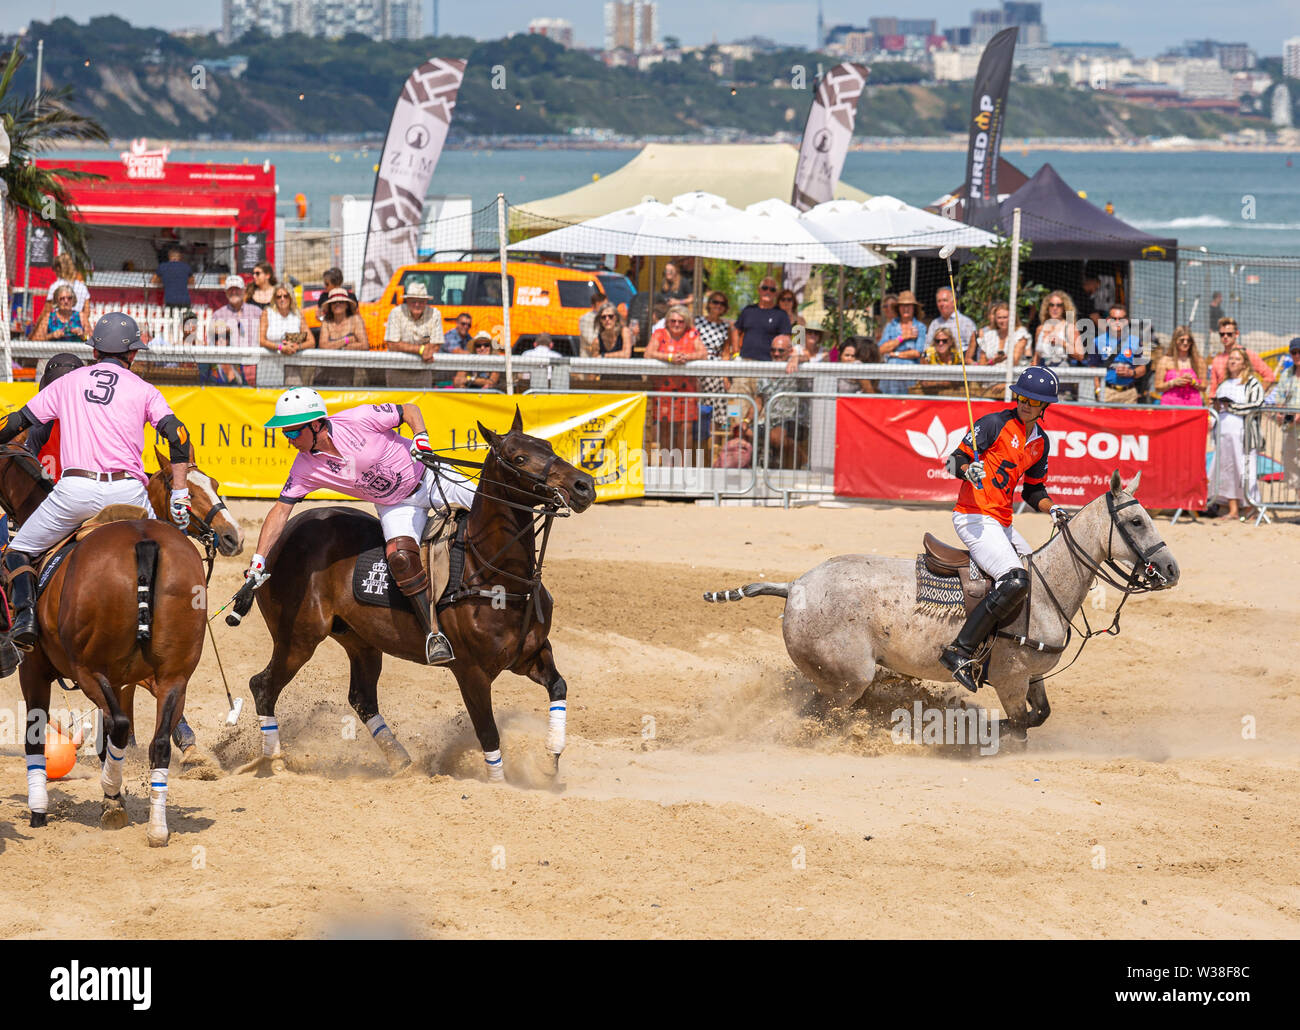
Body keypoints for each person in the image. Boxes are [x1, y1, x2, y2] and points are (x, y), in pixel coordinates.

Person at [0, 314, 192, 650]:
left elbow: (18, 422)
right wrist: (179, 493)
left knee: (18, 550)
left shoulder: (67, 382)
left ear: (95, 352)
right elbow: (178, 434)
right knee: (168, 549)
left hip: (75, 492)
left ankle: (27, 618)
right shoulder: (145, 389)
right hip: (129, 493)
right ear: (132, 353)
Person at [246, 389, 476, 664]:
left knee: (490, 506)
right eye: (285, 433)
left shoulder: (358, 418)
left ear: (316, 424)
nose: (289, 440)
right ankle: (433, 633)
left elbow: (409, 411)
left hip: (430, 478)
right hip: (395, 505)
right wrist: (259, 559)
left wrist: (420, 437)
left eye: (293, 433)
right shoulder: (304, 467)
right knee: (400, 559)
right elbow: (281, 511)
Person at [939, 366, 1069, 692]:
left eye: (1033, 400)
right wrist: (967, 470)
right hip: (974, 515)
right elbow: (952, 460)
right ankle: (960, 650)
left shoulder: (1040, 441)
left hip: (1003, 522)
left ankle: (1011, 650)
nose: (1025, 403)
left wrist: (1052, 508)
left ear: (1044, 407)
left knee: (1036, 578)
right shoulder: (994, 423)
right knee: (1013, 579)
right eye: (1021, 396)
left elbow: (1033, 491)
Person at [1210, 348, 1264, 521]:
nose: (1232, 361)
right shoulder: (1223, 384)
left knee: (1246, 470)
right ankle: (1233, 509)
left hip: (1245, 436)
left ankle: (1251, 508)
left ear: (1244, 363)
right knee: (1228, 470)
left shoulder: (1252, 383)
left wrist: (1232, 407)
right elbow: (1216, 408)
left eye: (1237, 359)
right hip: (1224, 434)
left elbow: (1256, 404)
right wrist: (1218, 407)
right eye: (1231, 358)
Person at [644, 306, 707, 449]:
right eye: (673, 321)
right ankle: (667, 467)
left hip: (687, 388)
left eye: (680, 321)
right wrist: (670, 358)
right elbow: (648, 353)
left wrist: (686, 357)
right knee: (665, 429)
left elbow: (703, 353)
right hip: (663, 387)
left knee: (686, 429)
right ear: (667, 322)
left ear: (686, 322)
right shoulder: (659, 334)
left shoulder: (692, 333)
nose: (677, 324)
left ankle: (683, 468)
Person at [383, 281, 443, 388]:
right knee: (396, 404)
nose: (417, 304)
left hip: (422, 371)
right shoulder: (396, 312)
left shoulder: (435, 313)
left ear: (426, 301)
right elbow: (392, 344)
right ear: (407, 300)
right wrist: (421, 350)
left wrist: (427, 349)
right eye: (413, 300)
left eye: (421, 301)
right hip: (397, 371)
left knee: (422, 404)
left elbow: (437, 344)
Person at [209, 274, 263, 386]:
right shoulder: (218, 315)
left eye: (237, 289)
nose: (234, 292)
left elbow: (265, 337)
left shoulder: (257, 312)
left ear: (243, 291)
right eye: (231, 290)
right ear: (226, 292)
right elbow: (212, 344)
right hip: (230, 370)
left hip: (255, 366)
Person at [315, 287, 370, 387]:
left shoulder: (355, 320)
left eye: (341, 301)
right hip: (327, 370)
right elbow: (323, 345)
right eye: (334, 302)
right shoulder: (327, 322)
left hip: (351, 371)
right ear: (330, 306)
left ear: (347, 305)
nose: (337, 304)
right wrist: (347, 340)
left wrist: (338, 348)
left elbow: (364, 345)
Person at [1265, 338, 1300, 495]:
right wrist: (1279, 414)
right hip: (1290, 430)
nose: (1297, 355)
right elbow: (1279, 398)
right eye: (1294, 352)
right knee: (1293, 472)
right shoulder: (1286, 373)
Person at [1093, 304, 1148, 404]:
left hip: (1129, 394)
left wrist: (1131, 373)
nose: (1117, 322)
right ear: (1108, 320)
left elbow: (1143, 368)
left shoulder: (1135, 341)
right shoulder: (1097, 341)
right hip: (1107, 392)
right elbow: (1093, 369)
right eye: (1114, 319)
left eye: (1121, 319)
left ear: (1126, 321)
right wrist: (1098, 390)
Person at [260, 283, 313, 385]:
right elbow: (261, 341)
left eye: (286, 296)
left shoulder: (297, 314)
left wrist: (297, 346)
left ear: (291, 297)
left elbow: (311, 341)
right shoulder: (267, 313)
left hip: (292, 365)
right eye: (279, 296)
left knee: (294, 395)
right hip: (269, 365)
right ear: (274, 299)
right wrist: (280, 347)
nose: (282, 299)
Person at [1206, 317, 1274, 396]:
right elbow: (1213, 389)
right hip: (1223, 405)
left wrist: (1255, 395)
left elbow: (1269, 376)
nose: (1225, 336)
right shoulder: (1217, 360)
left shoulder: (1247, 354)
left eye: (1229, 334)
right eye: (1222, 334)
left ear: (1236, 334)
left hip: (1243, 405)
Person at [693, 291, 731, 430]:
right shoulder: (697, 322)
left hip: (716, 368)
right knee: (696, 405)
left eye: (722, 303)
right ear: (709, 304)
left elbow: (726, 352)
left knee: (715, 407)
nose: (718, 306)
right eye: (715, 302)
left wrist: (725, 376)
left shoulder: (726, 327)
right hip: (698, 363)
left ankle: (711, 446)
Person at [730, 276, 792, 361]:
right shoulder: (748, 310)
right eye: (765, 288)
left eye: (772, 290)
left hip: (769, 363)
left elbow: (787, 339)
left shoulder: (781, 314)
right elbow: (735, 330)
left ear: (776, 293)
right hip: (745, 361)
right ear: (759, 290)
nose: (768, 292)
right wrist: (736, 352)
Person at [877, 290, 927, 394]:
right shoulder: (891, 326)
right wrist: (902, 337)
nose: (906, 308)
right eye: (902, 306)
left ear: (914, 308)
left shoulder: (920, 327)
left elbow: (917, 353)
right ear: (898, 308)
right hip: (890, 375)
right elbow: (881, 349)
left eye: (909, 305)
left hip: (910, 374)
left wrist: (895, 353)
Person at [1149, 326, 1207, 407]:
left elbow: (1204, 387)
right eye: (1182, 340)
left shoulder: (1199, 361)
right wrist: (1173, 382)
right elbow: (1158, 387)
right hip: (1170, 405)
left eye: (1188, 340)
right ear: (1175, 340)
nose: (1185, 343)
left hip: (1193, 405)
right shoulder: (1165, 361)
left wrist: (1193, 382)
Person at [1032, 292, 1081, 370]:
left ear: (1064, 308)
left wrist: (1062, 343)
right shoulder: (1040, 329)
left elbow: (1080, 356)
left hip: (1062, 370)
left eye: (1059, 305)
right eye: (1051, 305)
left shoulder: (1070, 328)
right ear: (1047, 308)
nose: (1055, 308)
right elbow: (1036, 357)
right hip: (1042, 370)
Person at [45, 253, 91, 327]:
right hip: (77, 326)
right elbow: (87, 311)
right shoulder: (82, 286)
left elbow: (47, 311)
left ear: (58, 268)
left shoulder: (55, 286)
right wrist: (81, 324)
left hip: (57, 327)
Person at [915, 327, 964, 395]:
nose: (941, 343)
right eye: (937, 341)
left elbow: (958, 382)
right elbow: (925, 383)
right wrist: (943, 382)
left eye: (944, 340)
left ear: (950, 342)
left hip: (951, 394)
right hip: (929, 394)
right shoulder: (927, 355)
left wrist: (936, 382)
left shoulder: (957, 356)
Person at [926, 286, 976, 353]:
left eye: (945, 300)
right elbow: (927, 346)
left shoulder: (966, 322)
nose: (941, 304)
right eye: (939, 301)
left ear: (954, 302)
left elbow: (973, 346)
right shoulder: (934, 324)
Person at [577, 290, 605, 357]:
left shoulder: (607, 317)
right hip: (588, 359)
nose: (606, 306)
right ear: (596, 304)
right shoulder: (585, 319)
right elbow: (591, 340)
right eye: (604, 304)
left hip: (603, 358)